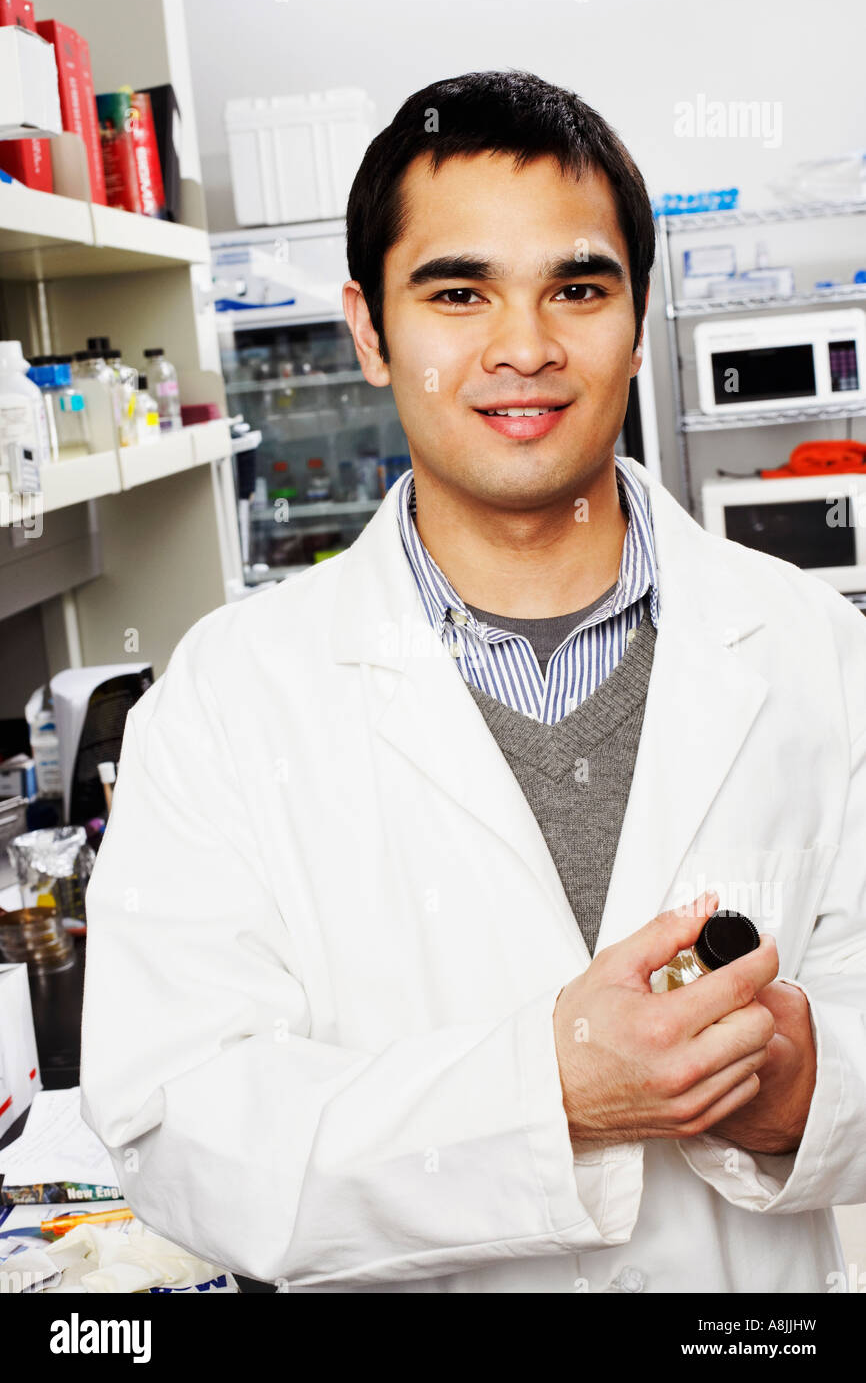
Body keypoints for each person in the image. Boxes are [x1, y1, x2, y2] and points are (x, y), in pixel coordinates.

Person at [80, 69, 866, 1293]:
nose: (524, 348)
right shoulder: (231, 701)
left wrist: (799, 1084)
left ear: (634, 310)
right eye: (457, 291)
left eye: (576, 287)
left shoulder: (817, 652)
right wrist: (545, 1098)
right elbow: (174, 1128)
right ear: (365, 323)